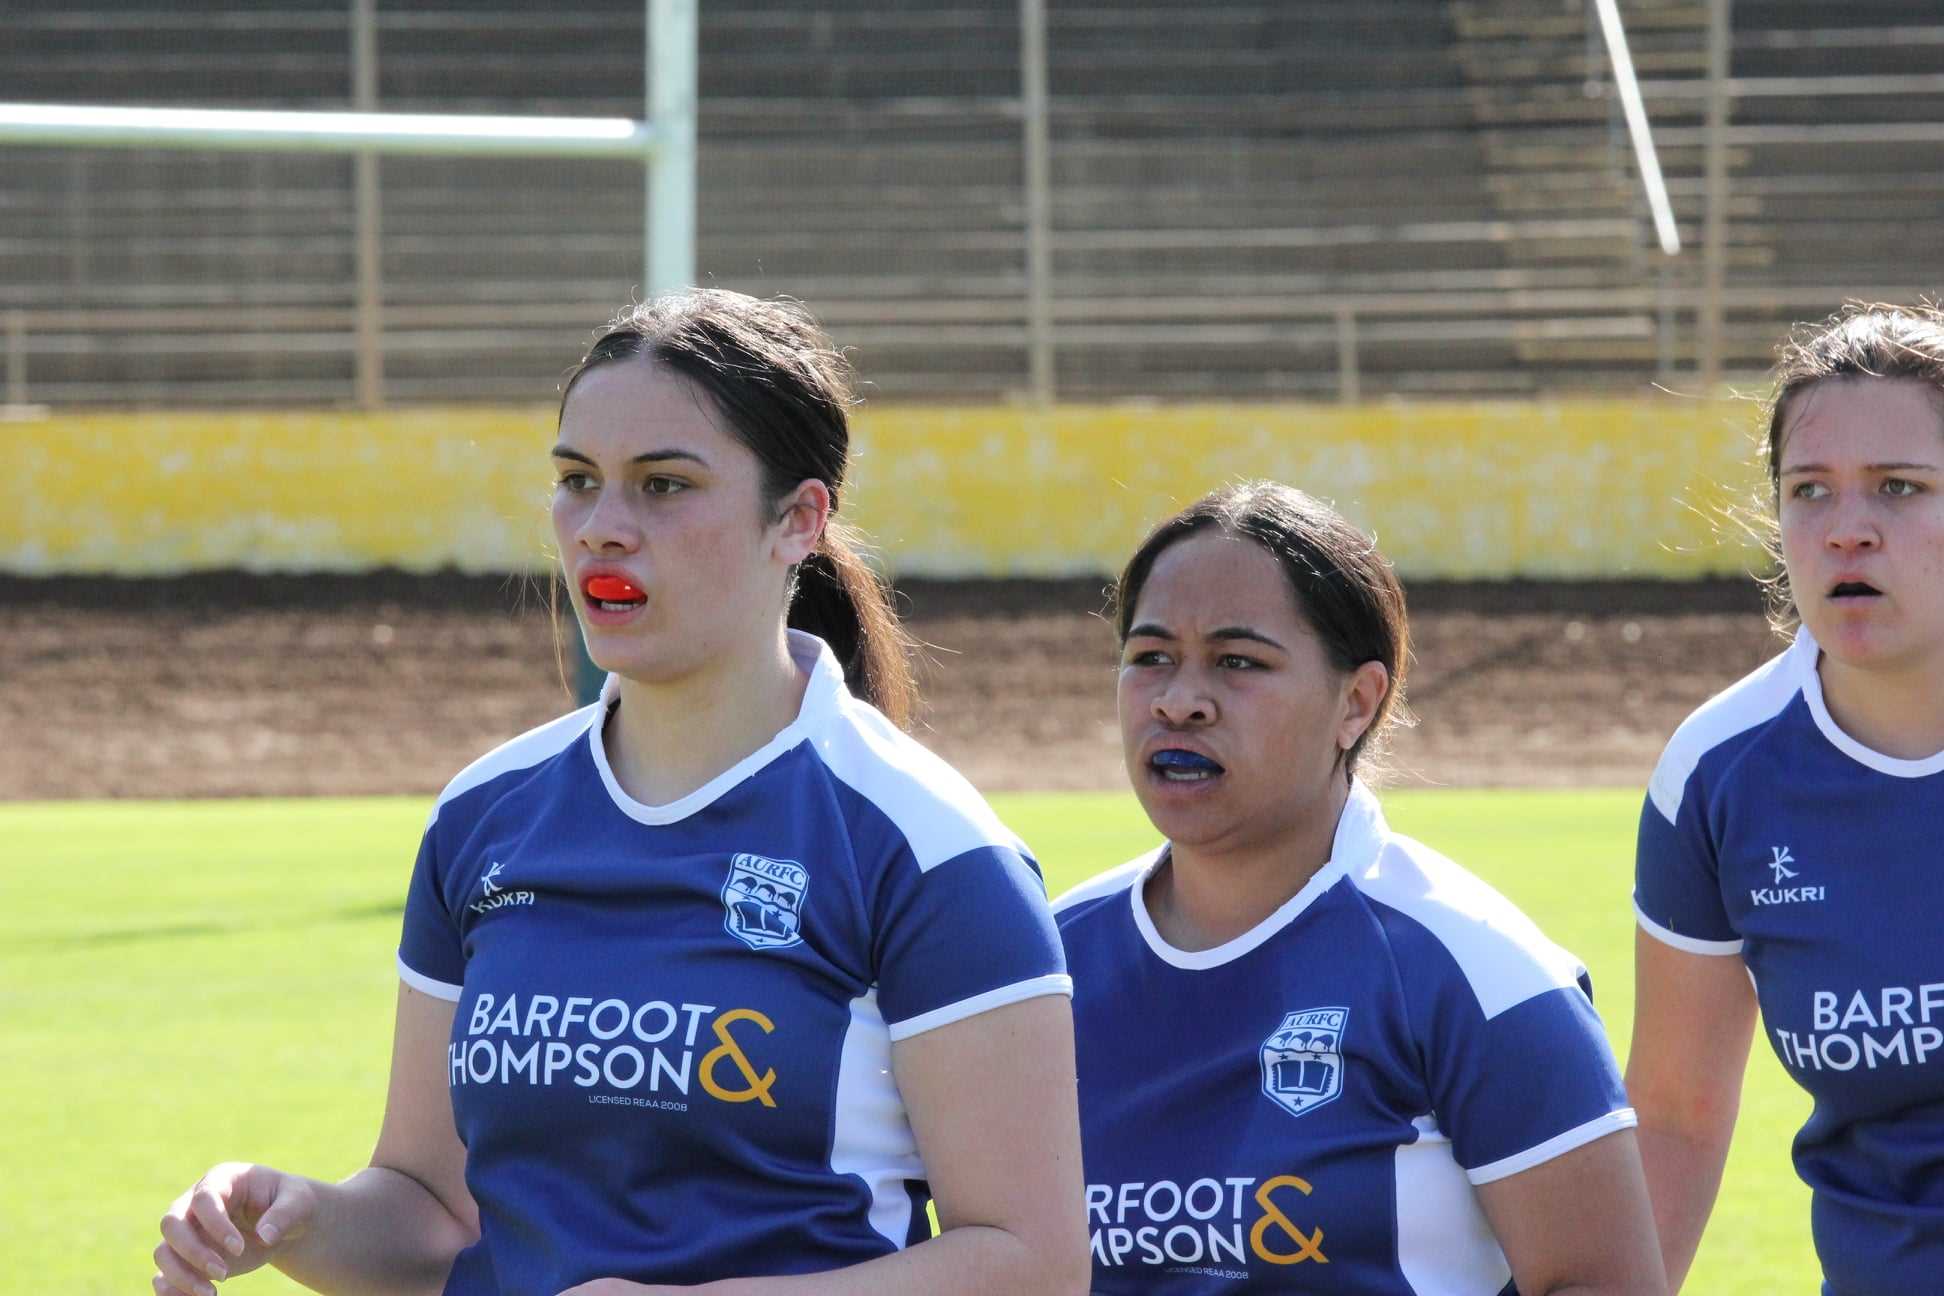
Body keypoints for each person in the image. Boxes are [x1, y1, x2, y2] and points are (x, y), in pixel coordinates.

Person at [153, 289, 1089, 1296]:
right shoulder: (483, 816)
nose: (602, 527)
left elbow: (1032, 1265)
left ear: (799, 520)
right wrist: (295, 1217)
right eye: (576, 480)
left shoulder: (932, 850)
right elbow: (432, 1213)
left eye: (664, 485)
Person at [1055, 481, 1665, 1294]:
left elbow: (1606, 1281)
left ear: (1357, 701)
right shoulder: (1046, 963)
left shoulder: (1476, 969)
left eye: (1238, 662)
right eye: (1150, 658)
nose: (1179, 701)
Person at [1628, 303, 1944, 1295]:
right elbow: (1676, 1116)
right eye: (1811, 491)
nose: (1848, 529)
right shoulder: (1720, 774)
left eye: (1899, 488)